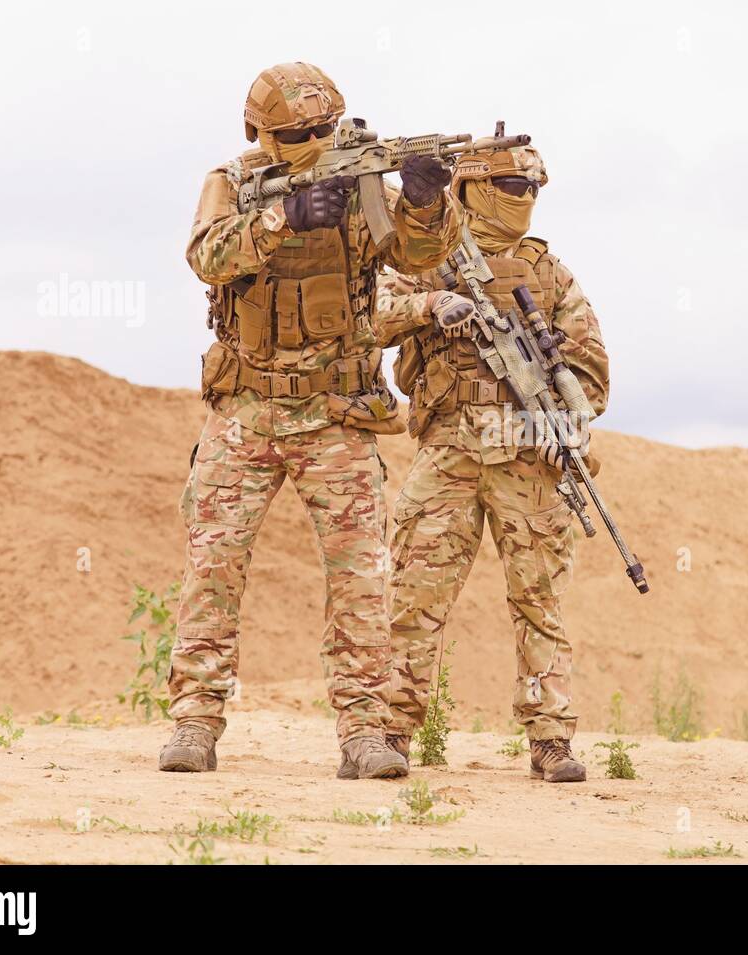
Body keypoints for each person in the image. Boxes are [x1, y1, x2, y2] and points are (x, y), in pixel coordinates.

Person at [159, 62, 457, 779]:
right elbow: (204, 256)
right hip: (247, 408)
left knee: (361, 577)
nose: (317, 140)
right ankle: (194, 722)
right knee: (214, 568)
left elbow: (421, 257)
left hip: (336, 411)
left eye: (326, 128)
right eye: (299, 134)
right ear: (261, 133)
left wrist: (423, 203)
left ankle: (365, 732)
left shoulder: (361, 185)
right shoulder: (232, 182)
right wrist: (281, 217)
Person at [376, 144, 609, 782]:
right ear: (473, 185)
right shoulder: (424, 254)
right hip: (449, 447)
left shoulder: (548, 272)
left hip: (527, 454)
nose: (525, 194)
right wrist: (430, 308)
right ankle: (391, 730)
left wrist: (560, 392)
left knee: (540, 599)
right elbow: (370, 314)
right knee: (417, 596)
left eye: (534, 184)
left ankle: (551, 738)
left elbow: (593, 375)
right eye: (510, 182)